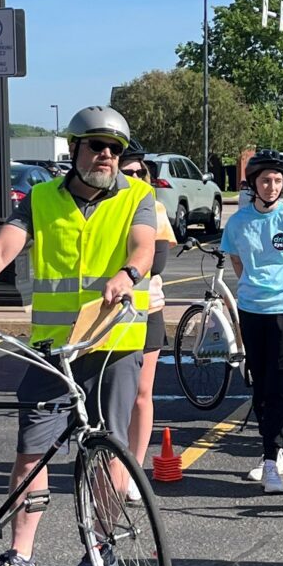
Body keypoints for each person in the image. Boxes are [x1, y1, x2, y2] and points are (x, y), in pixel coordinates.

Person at [0, 106, 155, 566]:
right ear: (75, 150)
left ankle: (101, 545)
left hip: (112, 342)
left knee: (108, 449)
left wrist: (128, 275)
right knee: (32, 453)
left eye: (114, 149)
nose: (106, 156)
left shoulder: (139, 196)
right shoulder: (42, 199)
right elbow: (1, 249)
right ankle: (20, 556)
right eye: (96, 146)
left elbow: (144, 247)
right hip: (52, 347)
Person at [220, 150, 283, 493]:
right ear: (253, 185)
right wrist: (255, 288)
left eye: (277, 181)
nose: (272, 186)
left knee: (280, 377)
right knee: (259, 382)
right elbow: (237, 260)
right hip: (251, 308)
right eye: (265, 180)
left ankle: (272, 457)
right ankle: (272, 449)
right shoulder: (238, 222)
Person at [116, 139, 174, 489]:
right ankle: (111, 465)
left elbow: (158, 260)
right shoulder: (104, 209)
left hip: (145, 312)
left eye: (141, 172)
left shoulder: (155, 209)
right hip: (106, 315)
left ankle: (134, 470)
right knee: (110, 396)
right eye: (129, 172)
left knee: (141, 393)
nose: (136, 177)